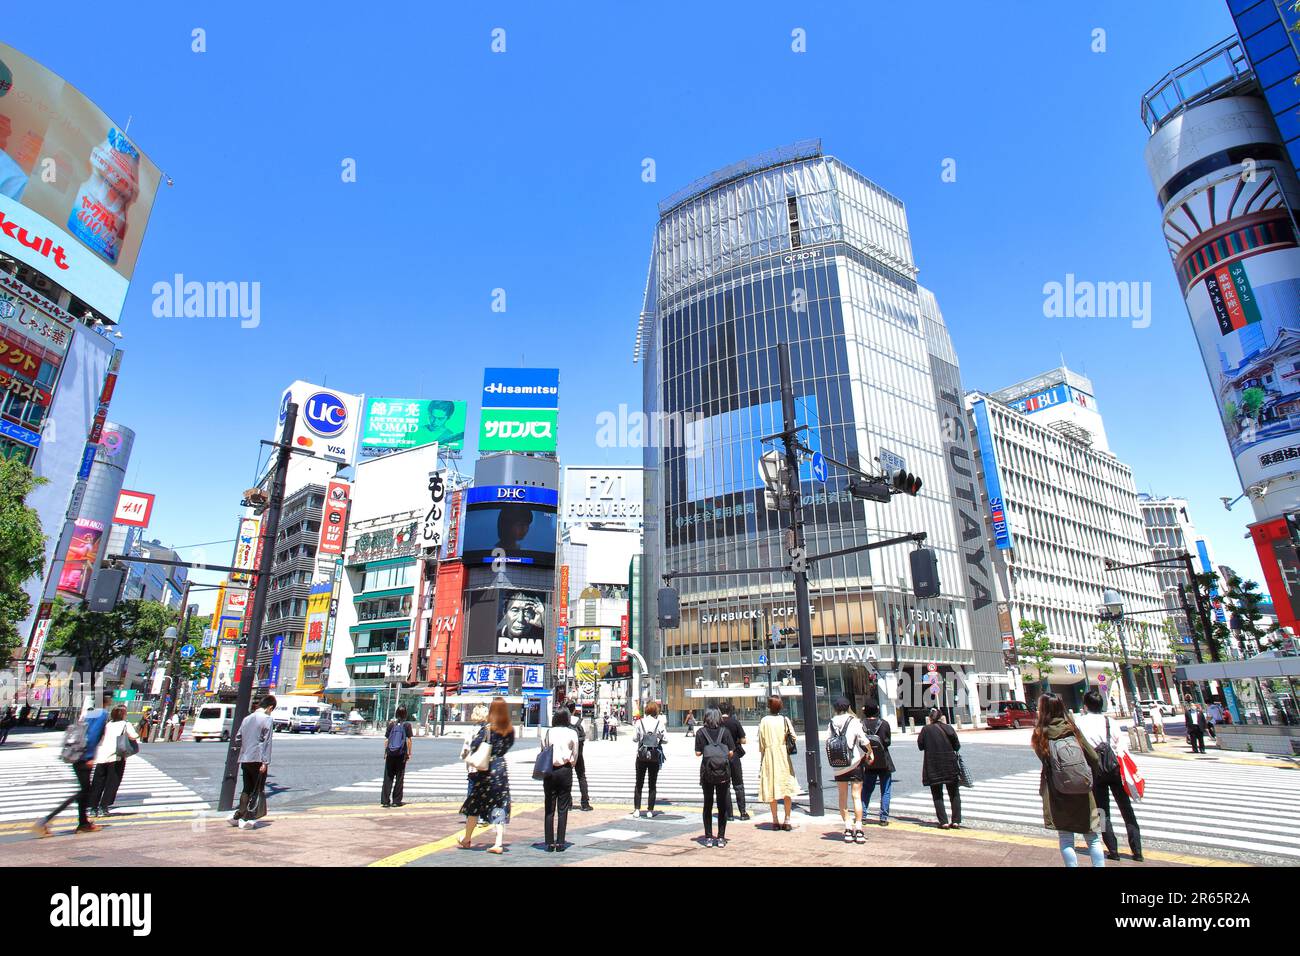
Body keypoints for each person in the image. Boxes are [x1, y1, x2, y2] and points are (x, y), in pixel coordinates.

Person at [1032, 694, 1105, 867]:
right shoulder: (1072, 728)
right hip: (1083, 789)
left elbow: (1044, 761)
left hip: (1057, 791)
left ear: (1042, 710)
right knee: (1093, 837)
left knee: (1066, 838)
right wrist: (1087, 777)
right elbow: (1093, 757)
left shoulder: (1039, 734)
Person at [1075, 690, 1143, 862]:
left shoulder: (1080, 722)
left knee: (1100, 811)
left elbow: (1079, 746)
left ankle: (1112, 849)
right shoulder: (1110, 721)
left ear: (1085, 705)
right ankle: (1137, 851)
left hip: (1094, 770)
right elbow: (1122, 747)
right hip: (1114, 768)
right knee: (1126, 809)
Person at [33, 701, 110, 837]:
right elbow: (92, 736)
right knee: (83, 792)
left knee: (85, 791)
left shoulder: (90, 712)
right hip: (84, 756)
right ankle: (46, 820)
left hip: (75, 753)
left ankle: (83, 823)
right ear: (107, 700)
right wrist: (90, 756)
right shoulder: (102, 713)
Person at [458, 697, 515, 853]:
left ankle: (467, 838)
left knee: (474, 804)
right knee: (499, 804)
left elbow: (475, 746)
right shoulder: (507, 729)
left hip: (486, 769)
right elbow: (508, 745)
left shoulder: (487, 729)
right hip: (500, 768)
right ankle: (498, 842)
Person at [230, 696, 276, 830]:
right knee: (257, 789)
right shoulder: (267, 719)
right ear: (270, 708)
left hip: (245, 758)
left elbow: (238, 738)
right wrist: (265, 762)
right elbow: (267, 742)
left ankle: (238, 815)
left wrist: (247, 744)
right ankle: (247, 818)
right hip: (258, 759)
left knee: (246, 788)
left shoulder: (247, 718)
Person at [826, 697, 868, 844]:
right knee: (856, 796)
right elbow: (864, 740)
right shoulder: (854, 720)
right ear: (849, 706)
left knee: (842, 797)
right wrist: (870, 752)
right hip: (855, 762)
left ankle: (848, 828)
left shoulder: (832, 722)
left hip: (838, 765)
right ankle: (859, 829)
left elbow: (828, 741)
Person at [89, 704, 140, 816]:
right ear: (123, 714)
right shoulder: (125, 724)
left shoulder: (108, 725)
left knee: (97, 783)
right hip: (116, 756)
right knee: (112, 783)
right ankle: (103, 807)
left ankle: (93, 808)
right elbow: (134, 736)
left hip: (101, 756)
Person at [695, 707, 735, 847]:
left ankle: (708, 837)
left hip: (707, 772)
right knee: (722, 804)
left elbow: (698, 753)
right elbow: (731, 752)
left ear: (705, 717)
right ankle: (721, 838)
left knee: (708, 803)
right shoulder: (725, 732)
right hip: (723, 772)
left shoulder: (700, 732)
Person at [757, 695, 799, 831]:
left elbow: (761, 743)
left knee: (771, 788)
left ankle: (775, 820)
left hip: (769, 755)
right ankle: (787, 819)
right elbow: (794, 737)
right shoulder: (784, 720)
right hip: (783, 756)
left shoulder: (764, 721)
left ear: (769, 707)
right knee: (786, 788)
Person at [541, 707, 580, 852]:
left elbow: (543, 750)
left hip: (550, 771)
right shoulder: (572, 733)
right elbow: (575, 754)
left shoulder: (548, 732)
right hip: (565, 770)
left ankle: (549, 843)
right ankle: (561, 842)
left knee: (549, 808)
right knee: (563, 808)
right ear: (568, 718)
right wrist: (571, 763)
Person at [917, 707, 961, 829]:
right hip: (949, 764)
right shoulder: (948, 728)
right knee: (954, 793)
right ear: (941, 717)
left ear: (930, 718)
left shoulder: (925, 730)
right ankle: (956, 820)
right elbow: (957, 746)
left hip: (933, 765)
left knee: (937, 794)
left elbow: (920, 746)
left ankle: (943, 822)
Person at [860, 701, 895, 826]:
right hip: (884, 760)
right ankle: (883, 818)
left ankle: (862, 815)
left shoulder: (861, 724)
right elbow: (887, 742)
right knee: (885, 790)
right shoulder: (884, 724)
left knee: (866, 789)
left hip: (869, 759)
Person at [633, 700, 666, 818]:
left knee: (639, 783)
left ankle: (637, 809)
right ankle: (650, 810)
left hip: (641, 755)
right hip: (654, 755)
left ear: (646, 710)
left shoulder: (639, 722)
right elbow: (666, 739)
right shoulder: (659, 723)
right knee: (652, 784)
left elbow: (635, 739)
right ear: (656, 711)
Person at [719, 703, 749, 821]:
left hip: (721, 756)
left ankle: (729, 814)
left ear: (719, 711)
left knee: (725, 785)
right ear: (730, 711)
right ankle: (742, 812)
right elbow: (743, 740)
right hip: (735, 756)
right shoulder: (735, 722)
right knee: (738, 784)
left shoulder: (717, 723)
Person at [381, 706, 413, 808]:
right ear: (405, 714)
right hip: (401, 754)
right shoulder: (407, 725)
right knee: (399, 778)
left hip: (390, 753)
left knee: (388, 777)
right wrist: (409, 753)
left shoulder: (391, 725)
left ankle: (385, 801)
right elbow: (409, 740)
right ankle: (396, 801)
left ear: (396, 713)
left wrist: (386, 752)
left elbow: (386, 740)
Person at [571, 705, 592, 811]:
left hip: (566, 754)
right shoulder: (580, 721)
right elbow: (585, 735)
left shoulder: (563, 721)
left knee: (567, 777)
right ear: (574, 710)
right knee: (581, 776)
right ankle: (585, 803)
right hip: (578, 753)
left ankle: (568, 802)